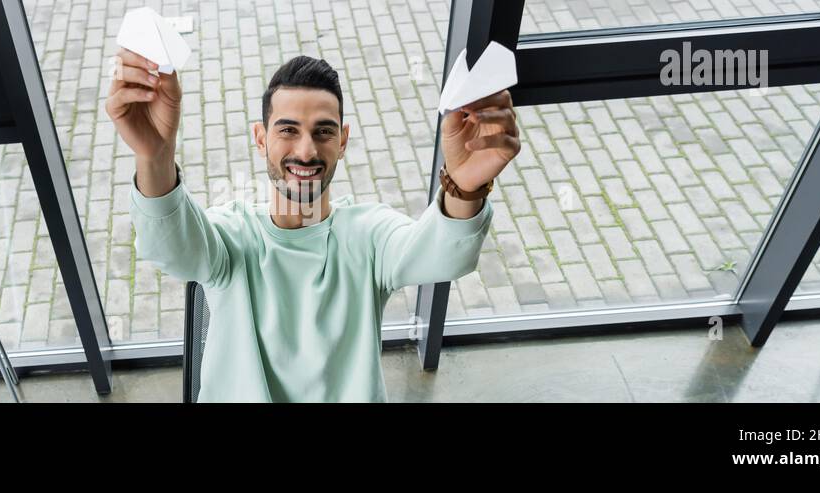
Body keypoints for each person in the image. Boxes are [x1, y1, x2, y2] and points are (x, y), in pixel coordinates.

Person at [108, 49, 520, 402]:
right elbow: (171, 245)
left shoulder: (368, 235)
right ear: (260, 137)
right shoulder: (229, 235)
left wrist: (464, 186)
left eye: (322, 132)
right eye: (288, 130)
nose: (306, 151)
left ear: (342, 140)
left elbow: (442, 254)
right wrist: (155, 156)